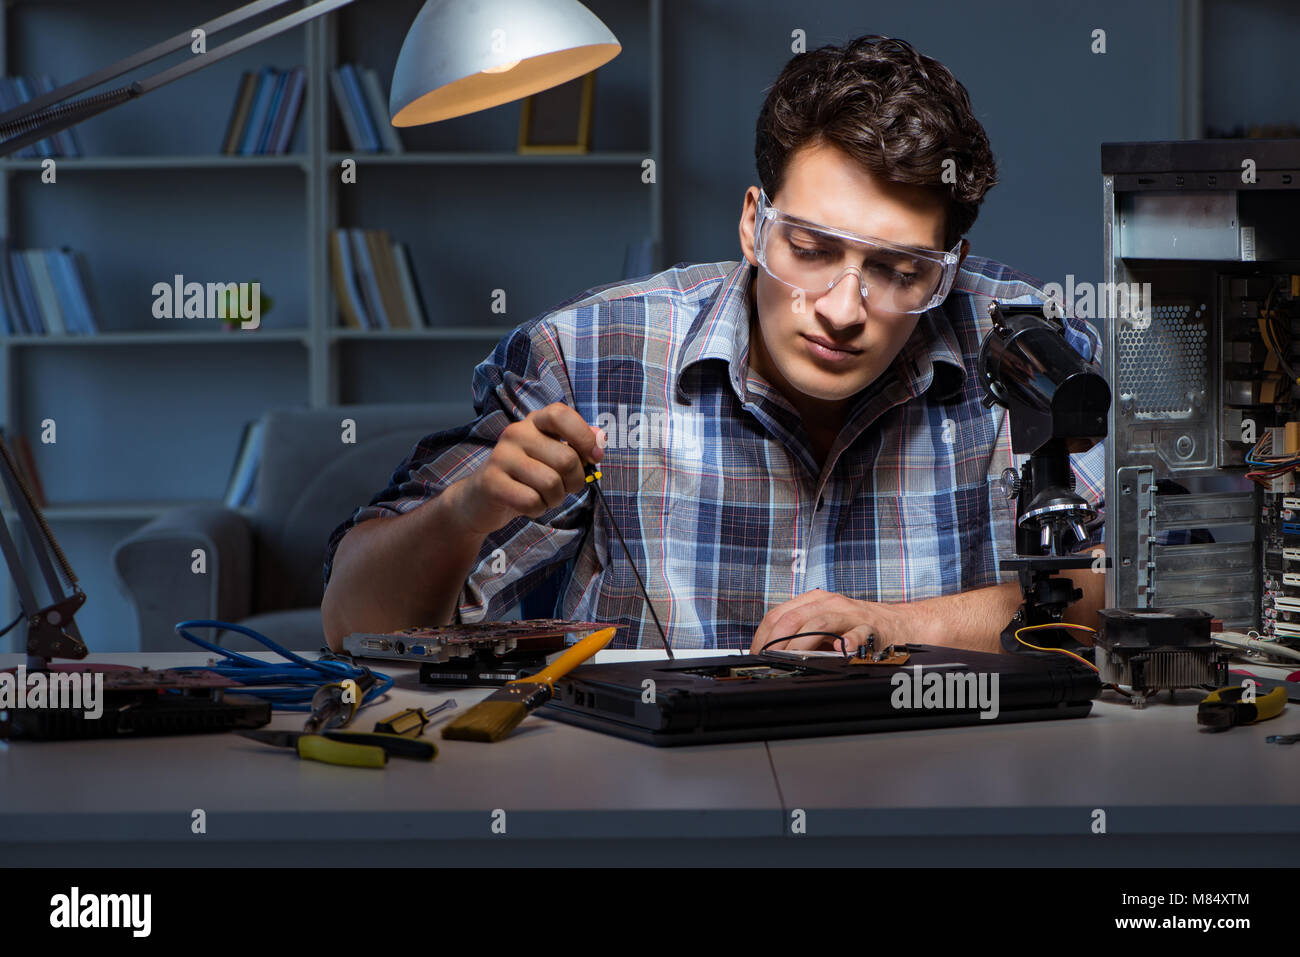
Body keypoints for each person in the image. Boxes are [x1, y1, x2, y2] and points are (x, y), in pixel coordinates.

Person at [321, 34, 1105, 655]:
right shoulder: (589, 354)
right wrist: (465, 509)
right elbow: (351, 623)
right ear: (752, 224)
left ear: (948, 271)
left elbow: (1129, 590)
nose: (842, 309)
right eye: (810, 248)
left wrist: (898, 626)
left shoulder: (1021, 346)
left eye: (899, 270)